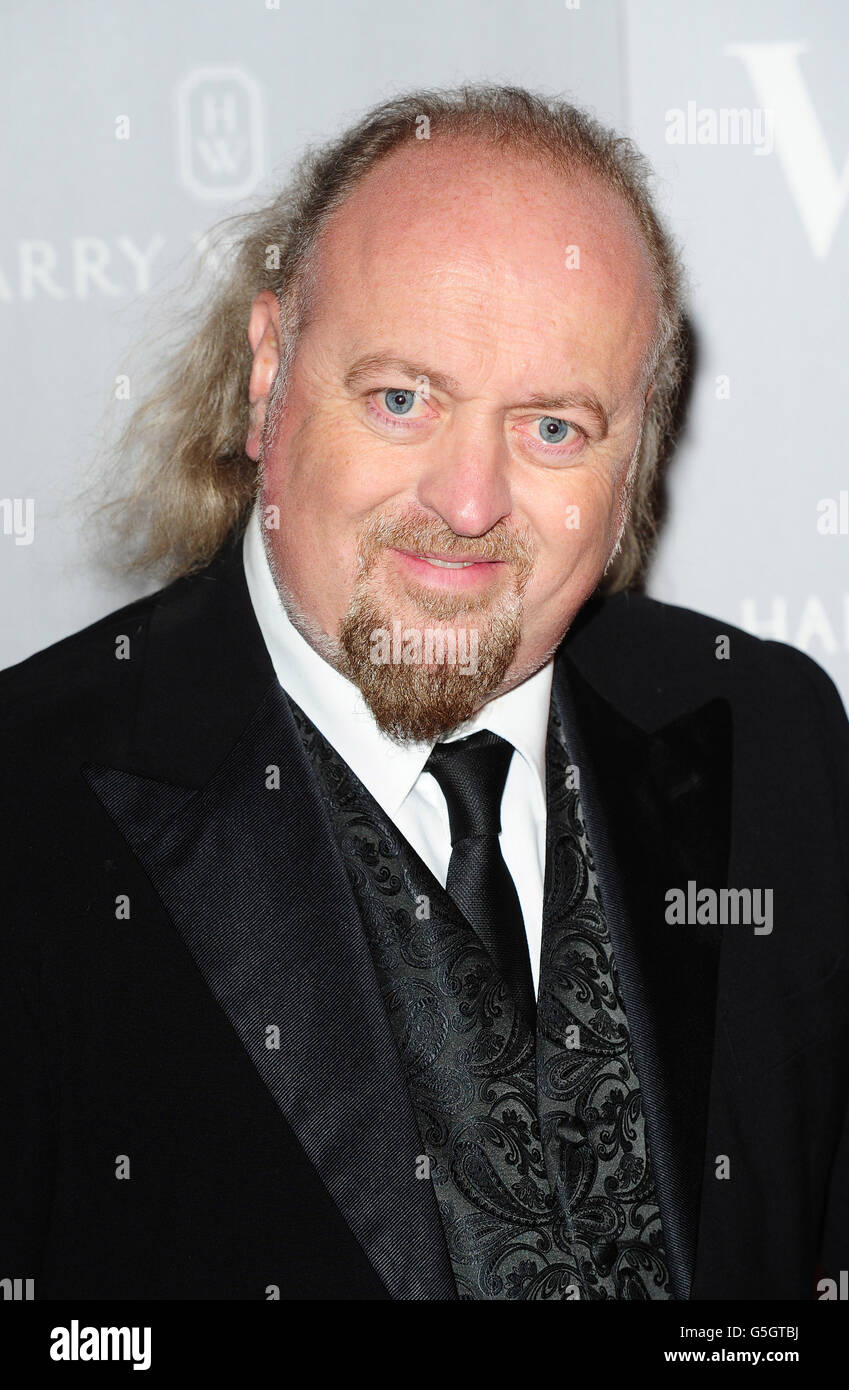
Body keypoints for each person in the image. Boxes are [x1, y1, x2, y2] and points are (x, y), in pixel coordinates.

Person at [2, 84, 847, 1302]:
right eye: (403, 399)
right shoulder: (27, 814)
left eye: (553, 427)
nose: (466, 503)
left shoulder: (776, 743)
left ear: (637, 454)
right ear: (266, 375)